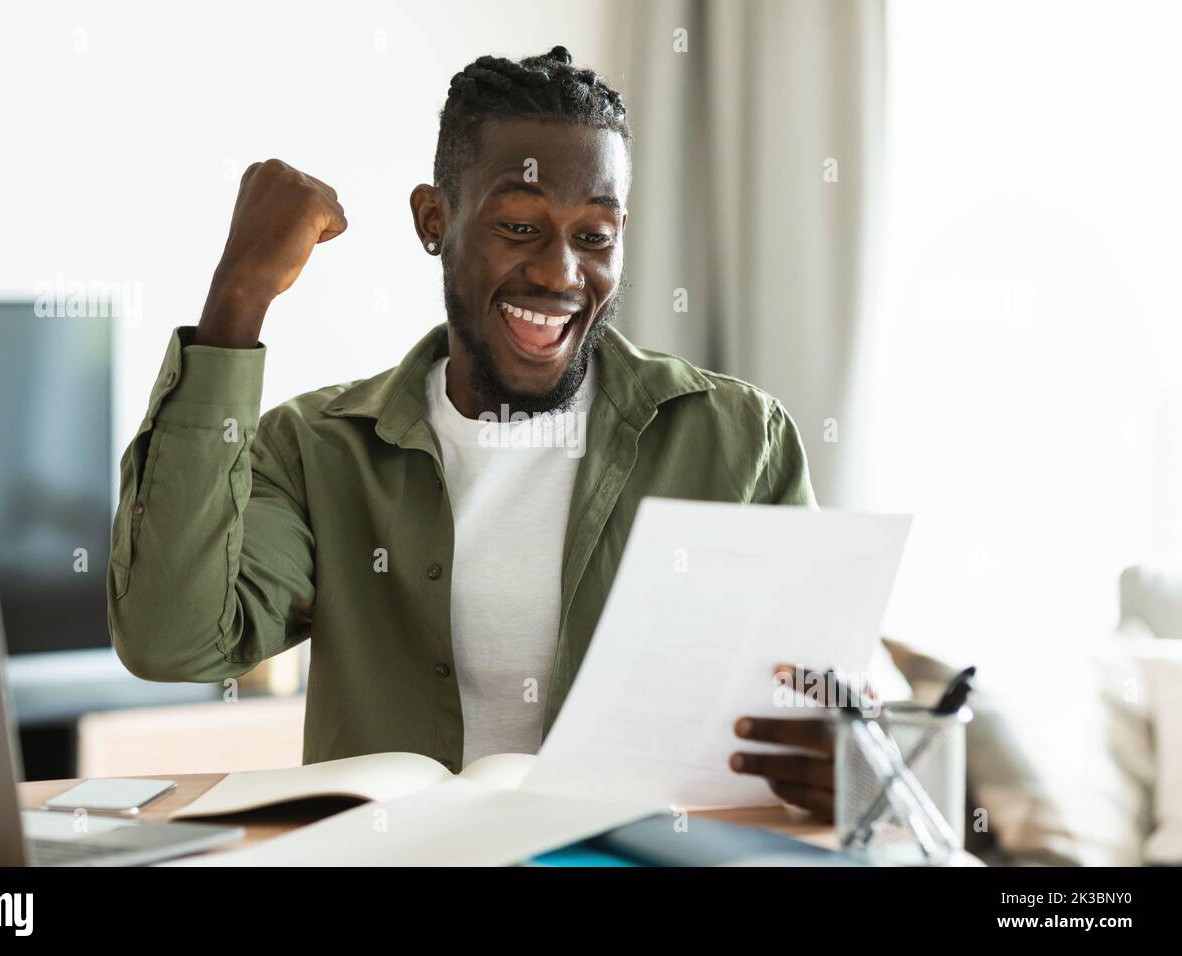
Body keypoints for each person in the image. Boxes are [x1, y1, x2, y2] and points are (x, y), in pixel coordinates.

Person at [108, 46, 836, 822]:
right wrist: (239, 297)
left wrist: (847, 747)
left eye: (594, 236)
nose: (560, 274)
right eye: (519, 225)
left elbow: (820, 687)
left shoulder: (739, 440)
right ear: (434, 221)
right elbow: (170, 639)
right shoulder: (318, 449)